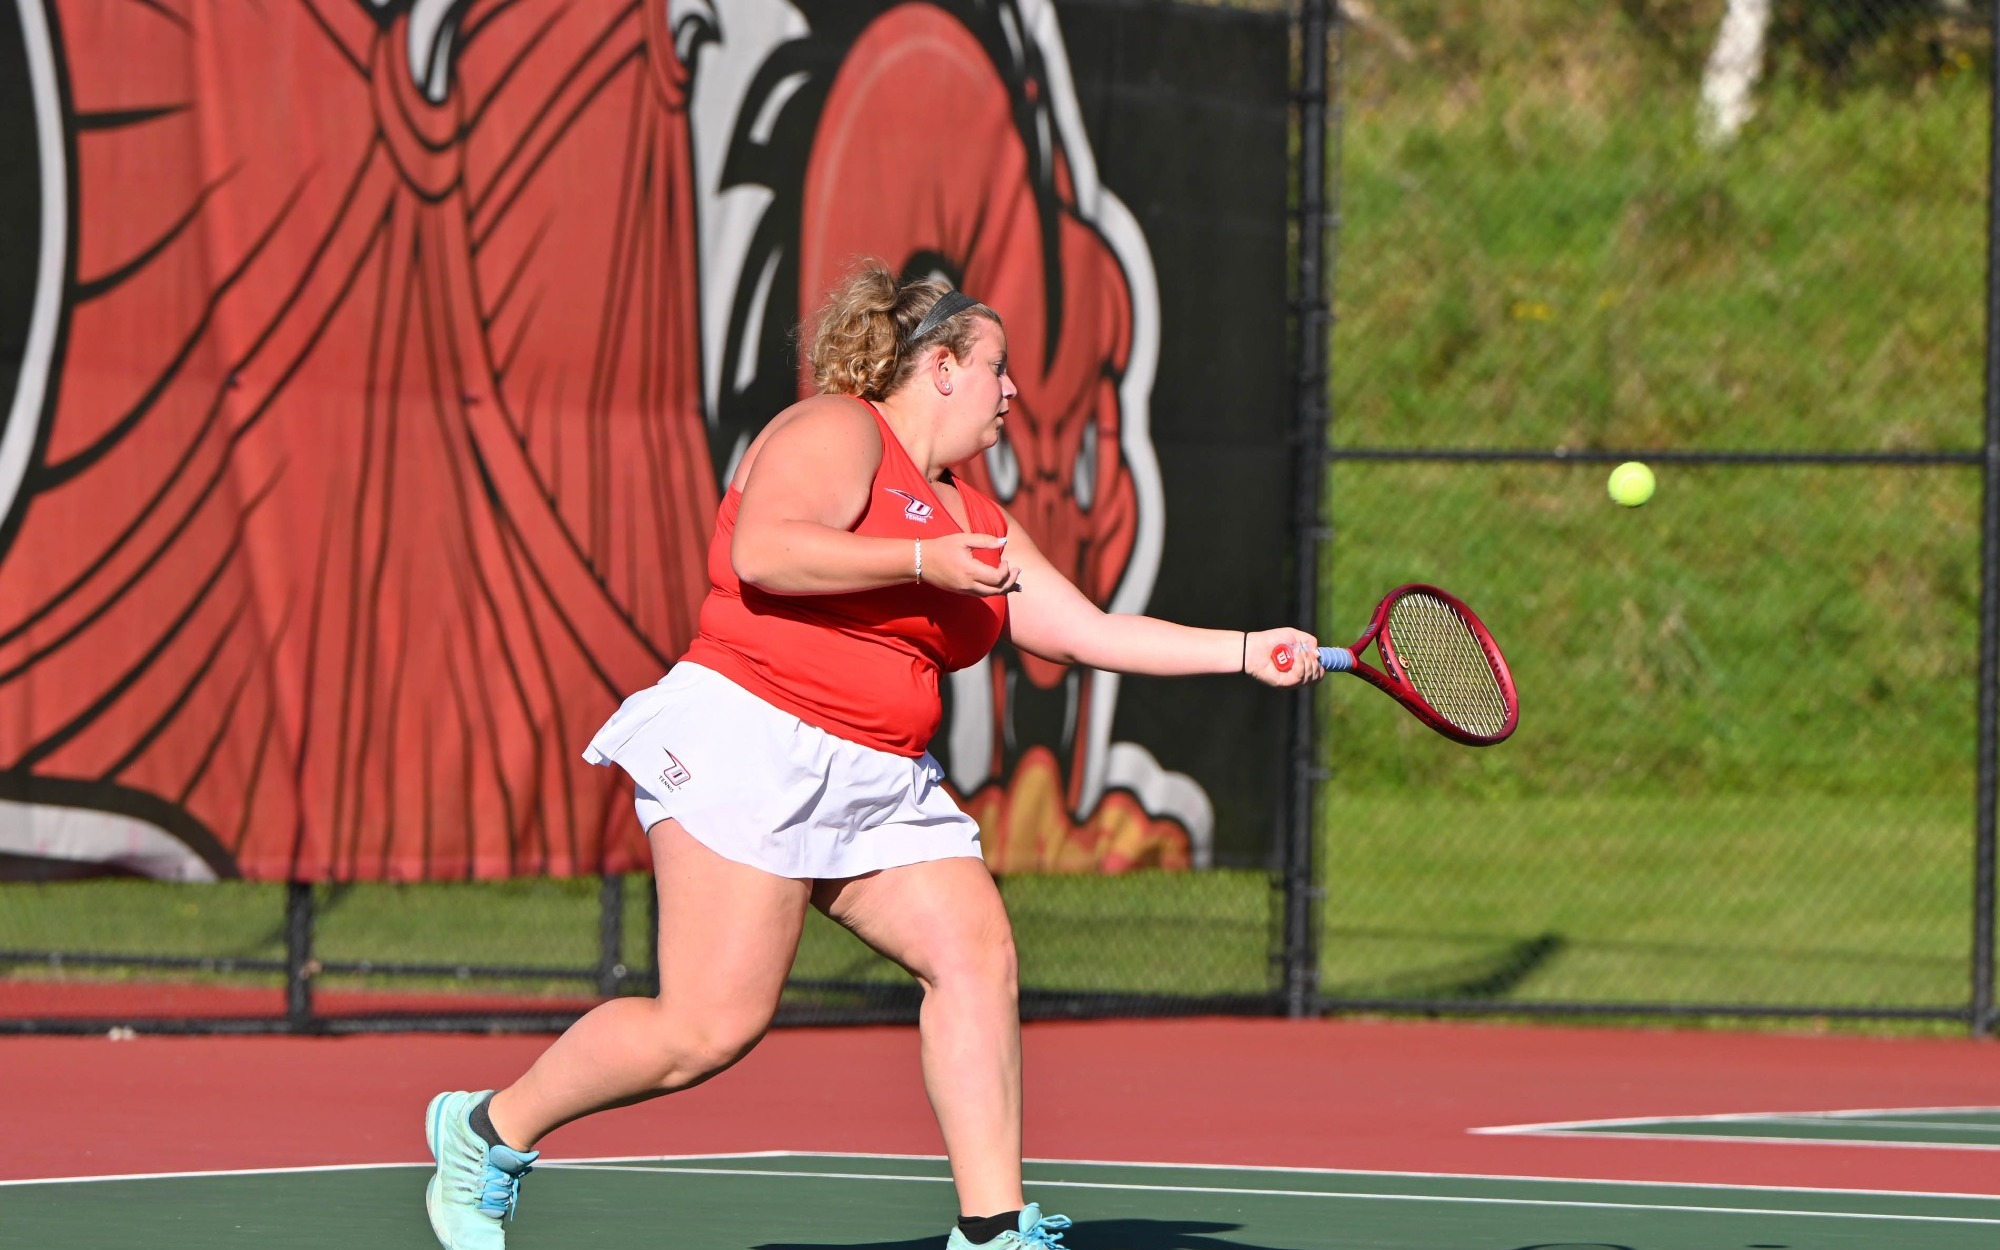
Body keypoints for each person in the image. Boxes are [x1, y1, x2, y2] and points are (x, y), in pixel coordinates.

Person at [420, 264, 1325, 1250]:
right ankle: (485, 1134)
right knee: (706, 1029)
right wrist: (917, 560)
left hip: (879, 776)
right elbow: (766, 551)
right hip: (752, 736)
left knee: (974, 954)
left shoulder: (974, 515)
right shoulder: (838, 429)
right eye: (996, 369)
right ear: (939, 367)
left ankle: (993, 1230)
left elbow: (1084, 629)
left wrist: (1246, 650)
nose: (1012, 392)